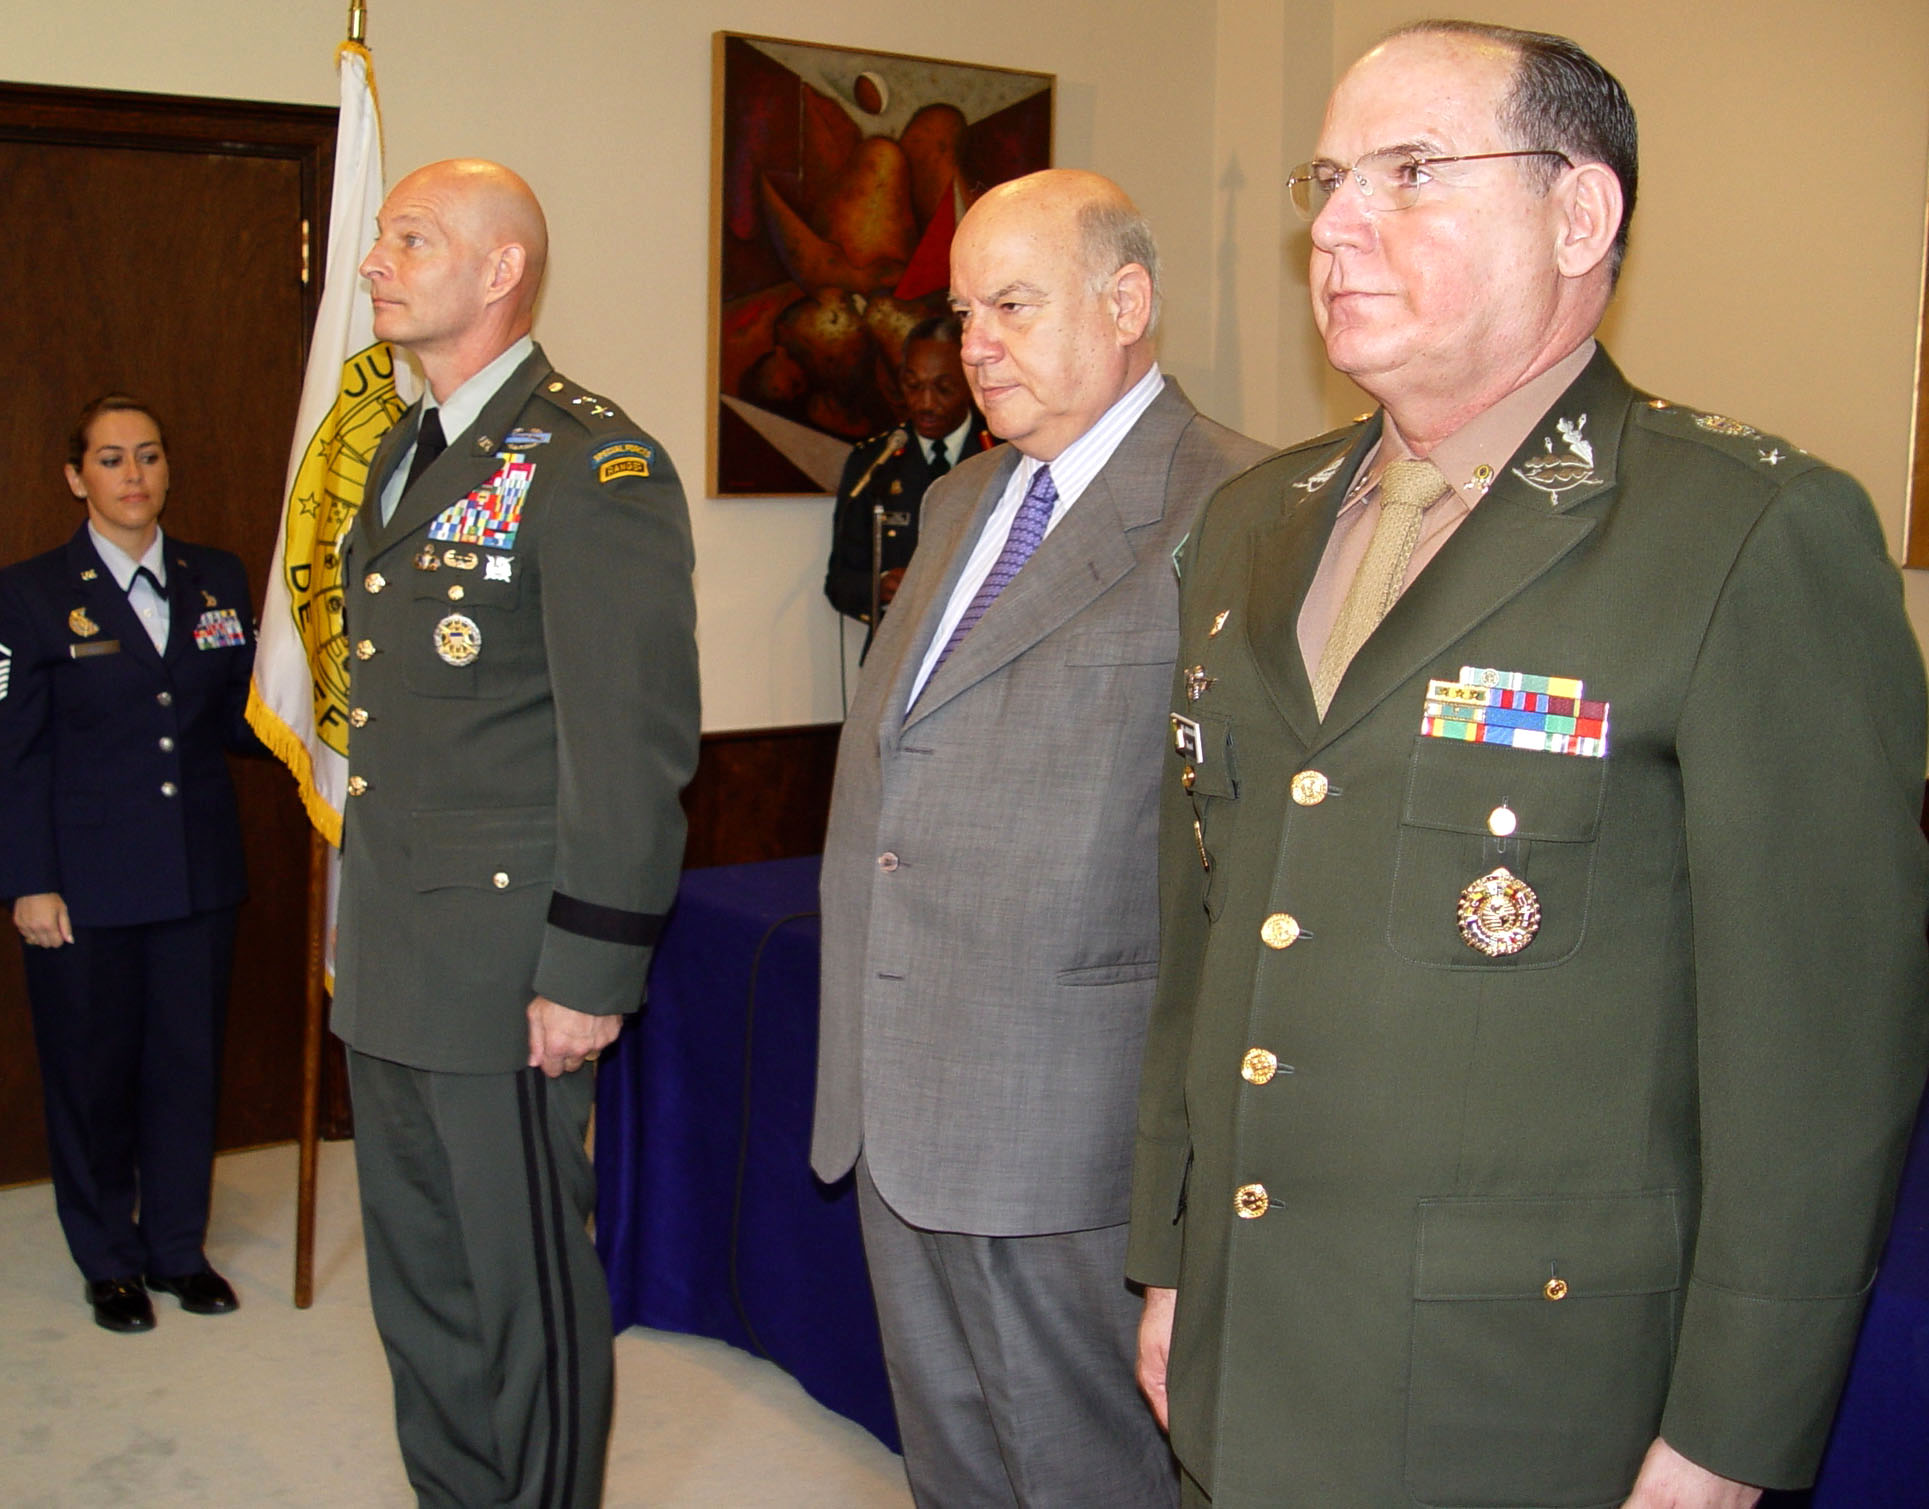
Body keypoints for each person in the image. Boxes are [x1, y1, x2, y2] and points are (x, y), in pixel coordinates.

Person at [1128, 22, 1929, 1508]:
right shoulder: (1254, 524)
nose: (1338, 226)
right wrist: (1174, 1258)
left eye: (1411, 172)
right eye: (1328, 179)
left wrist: (1729, 1437)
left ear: (1580, 214)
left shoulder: (1742, 534)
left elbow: (1819, 1062)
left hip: (1526, 1392)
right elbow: (1218, 926)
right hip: (1253, 1334)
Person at [812, 167, 1272, 1508]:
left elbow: (1244, 859)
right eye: (962, 313)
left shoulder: (1240, 509)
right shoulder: (963, 503)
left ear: (1126, 302)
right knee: (954, 1466)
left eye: (1012, 303)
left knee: (1083, 1476)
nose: (975, 346)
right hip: (906, 1102)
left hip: (1067, 1127)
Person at [333, 159, 698, 1507]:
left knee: (521, 1297)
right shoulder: (402, 450)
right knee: (423, 1288)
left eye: (409, 238)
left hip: (506, 969)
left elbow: (633, 737)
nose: (376, 261)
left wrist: (588, 972)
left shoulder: (592, 461)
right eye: (381, 240)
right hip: (393, 948)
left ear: (501, 271)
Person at [0, 395, 259, 1333]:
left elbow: (240, 717)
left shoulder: (217, 579)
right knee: (91, 1072)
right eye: (110, 459)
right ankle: (108, 1256)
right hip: (84, 888)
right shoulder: (28, 594)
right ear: (76, 477)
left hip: (196, 875)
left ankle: (179, 1248)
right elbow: (12, 750)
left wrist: (327, 716)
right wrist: (29, 878)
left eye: (148, 455)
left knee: (188, 1066)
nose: (134, 475)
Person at [823, 315, 993, 651]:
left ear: (971, 383)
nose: (926, 403)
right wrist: (882, 585)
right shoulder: (875, 462)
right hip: (895, 651)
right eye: (913, 386)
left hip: (977, 650)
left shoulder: (1002, 454)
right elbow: (839, 583)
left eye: (944, 388)